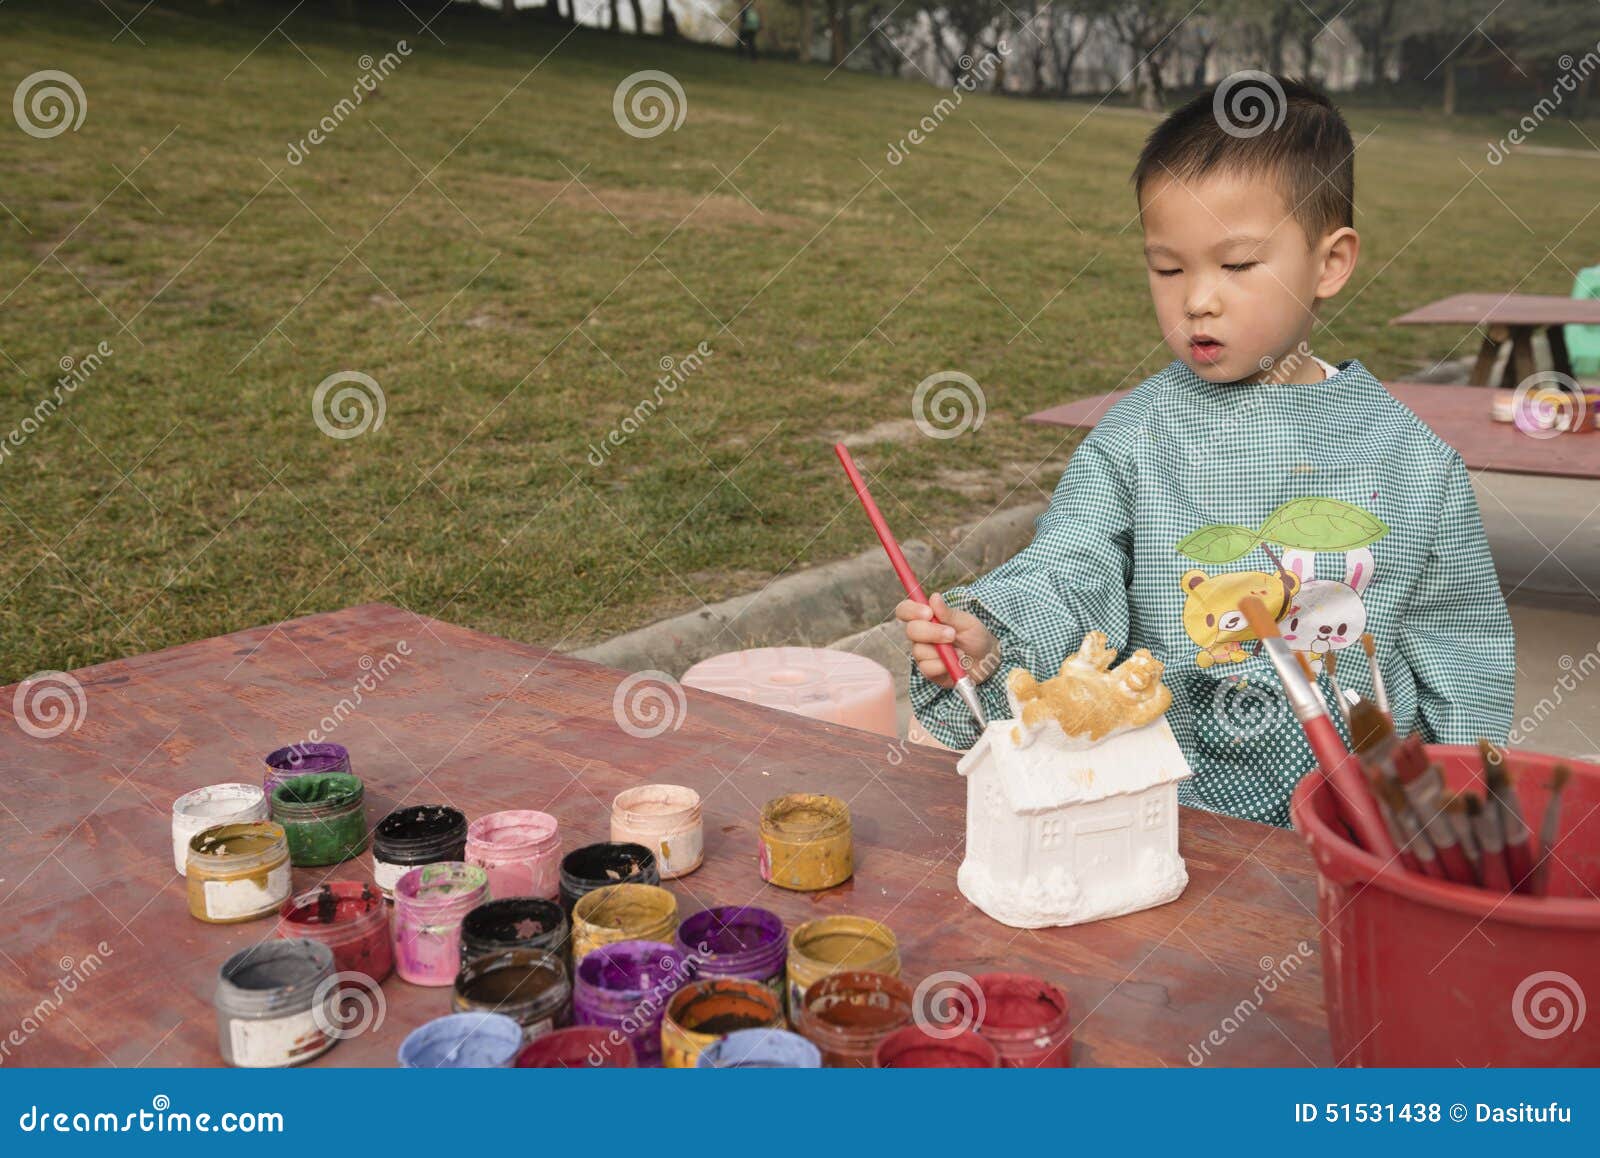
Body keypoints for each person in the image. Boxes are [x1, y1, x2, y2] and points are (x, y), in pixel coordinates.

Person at [901, 76, 1515, 828]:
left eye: (1238, 265)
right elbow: (1070, 567)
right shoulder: (1135, 436)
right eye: (1168, 268)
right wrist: (996, 635)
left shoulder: (1413, 462)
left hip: (1361, 824)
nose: (1197, 299)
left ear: (1329, 263)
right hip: (1164, 810)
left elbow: (1462, 648)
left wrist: (1468, 808)